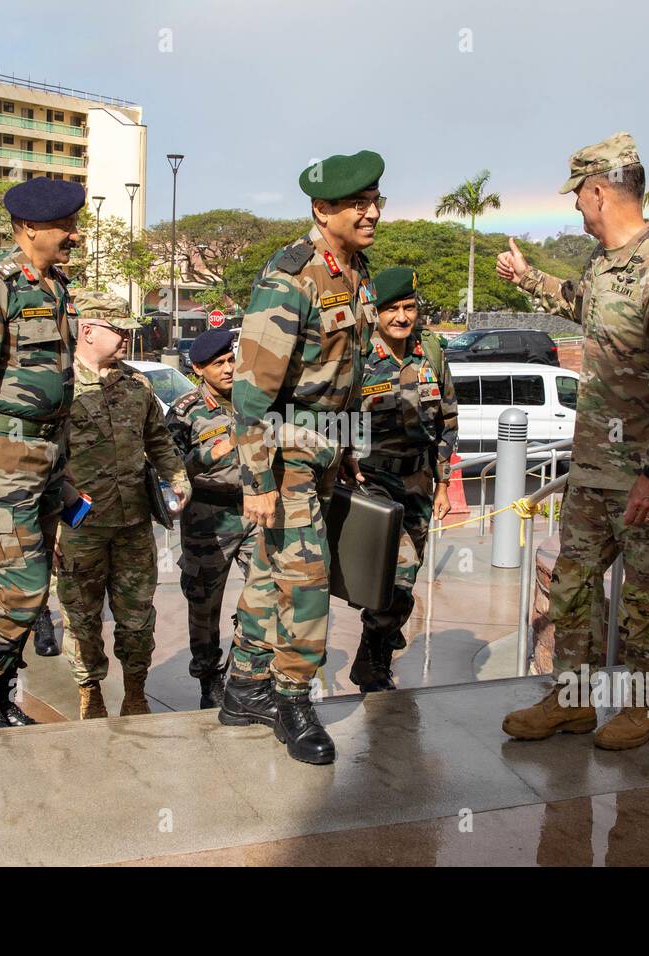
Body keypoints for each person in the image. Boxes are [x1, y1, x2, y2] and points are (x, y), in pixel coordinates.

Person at [496, 131, 649, 751]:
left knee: (647, 602)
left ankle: (646, 711)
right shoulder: (605, 265)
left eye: (578, 196)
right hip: (594, 471)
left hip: (647, 478)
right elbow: (580, 302)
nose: (575, 207)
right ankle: (571, 702)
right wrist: (526, 277)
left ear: (598, 192)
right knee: (574, 587)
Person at [225, 149, 383, 765]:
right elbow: (252, 390)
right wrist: (257, 479)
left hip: (324, 450)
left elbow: (344, 375)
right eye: (358, 204)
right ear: (323, 210)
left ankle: (244, 689)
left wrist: (345, 451)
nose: (371, 212)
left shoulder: (357, 270)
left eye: (376, 200)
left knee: (270, 574)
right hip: (284, 455)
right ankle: (292, 699)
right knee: (305, 581)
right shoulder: (291, 279)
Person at [0, 176, 84, 731]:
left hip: (45, 457)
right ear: (30, 228)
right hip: (5, 461)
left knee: (32, 583)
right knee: (22, 588)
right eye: (65, 226)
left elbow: (63, 383)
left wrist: (65, 470)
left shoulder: (54, 287)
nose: (74, 235)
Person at [58, 291, 190, 719]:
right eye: (120, 331)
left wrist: (176, 476)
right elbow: (40, 457)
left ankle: (136, 690)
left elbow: (158, 439)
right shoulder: (59, 388)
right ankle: (90, 690)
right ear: (89, 330)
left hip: (134, 522)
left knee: (137, 617)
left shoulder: (137, 384)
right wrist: (50, 524)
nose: (127, 341)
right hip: (81, 527)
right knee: (82, 615)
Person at [351, 267, 458, 692]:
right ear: (375, 313)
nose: (401, 316)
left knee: (405, 582)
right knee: (399, 569)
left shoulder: (430, 351)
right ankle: (372, 663)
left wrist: (444, 484)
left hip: (418, 483)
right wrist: (346, 460)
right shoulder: (359, 356)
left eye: (408, 307)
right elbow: (334, 415)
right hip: (373, 481)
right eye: (391, 309)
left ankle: (377, 647)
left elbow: (448, 421)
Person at [165, 328, 258, 709]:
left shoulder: (252, 401)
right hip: (208, 516)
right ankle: (208, 678)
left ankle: (247, 665)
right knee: (204, 602)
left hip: (254, 509)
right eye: (218, 363)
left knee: (266, 590)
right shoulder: (186, 411)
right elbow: (168, 466)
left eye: (231, 360)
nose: (228, 369)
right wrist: (208, 455)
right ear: (198, 367)